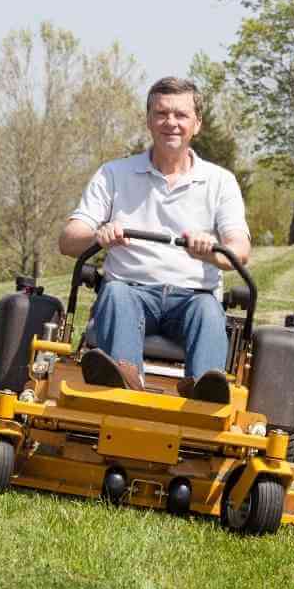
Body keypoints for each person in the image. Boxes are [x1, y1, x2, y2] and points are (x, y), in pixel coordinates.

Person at [58, 76, 251, 402]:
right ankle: (124, 380)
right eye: (161, 114)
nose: (170, 123)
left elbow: (240, 251)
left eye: (180, 115)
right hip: (131, 293)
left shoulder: (220, 181)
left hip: (192, 298)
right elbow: (68, 240)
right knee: (116, 292)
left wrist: (210, 251)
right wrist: (99, 236)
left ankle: (204, 390)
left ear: (197, 124)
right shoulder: (114, 174)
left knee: (207, 308)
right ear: (149, 120)